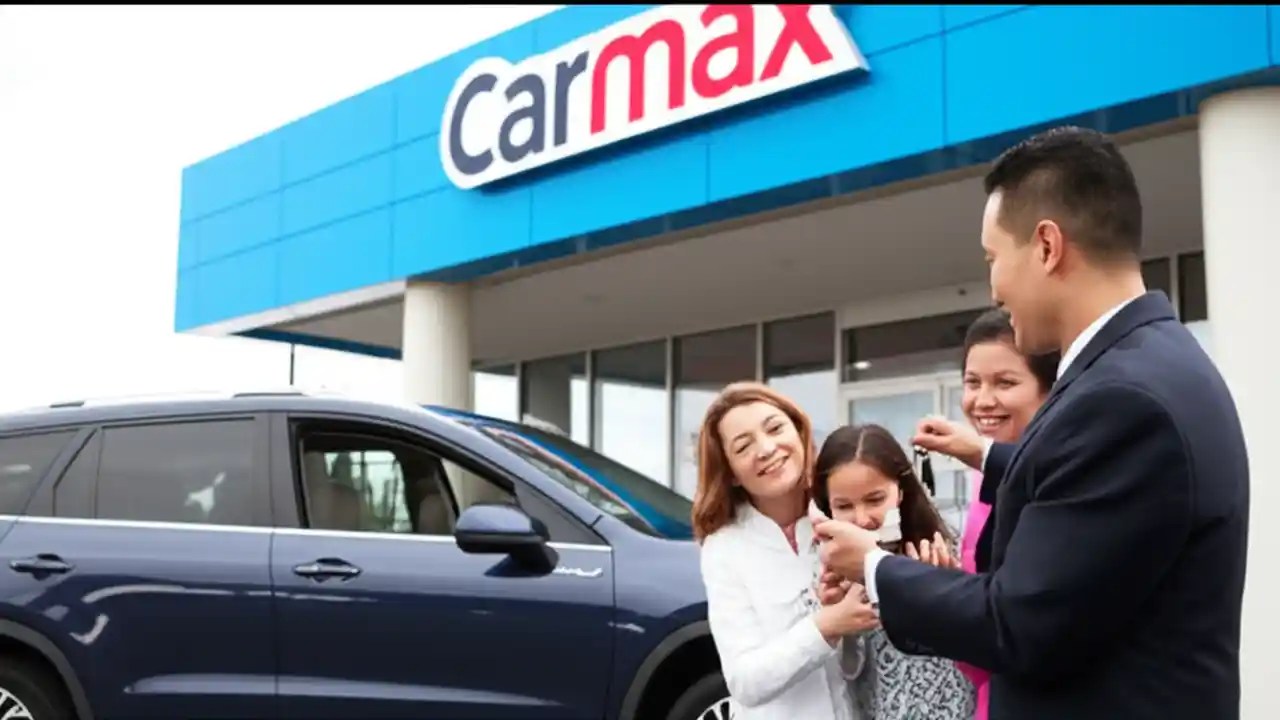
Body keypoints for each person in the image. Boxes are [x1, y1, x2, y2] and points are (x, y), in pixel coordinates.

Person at [813, 126, 1250, 719]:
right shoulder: (1152, 366)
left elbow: (1018, 623)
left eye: (994, 258)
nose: (993, 286)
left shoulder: (1123, 400)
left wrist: (871, 563)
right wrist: (984, 455)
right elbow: (1089, 502)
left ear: (1046, 246)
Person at [693, 381, 878, 720]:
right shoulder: (724, 548)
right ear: (731, 473)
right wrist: (826, 625)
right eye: (743, 446)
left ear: (799, 432)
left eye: (775, 428)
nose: (765, 449)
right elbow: (744, 681)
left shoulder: (842, 514)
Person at [810, 423, 976, 719]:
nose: (861, 519)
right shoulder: (827, 569)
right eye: (844, 505)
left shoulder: (943, 547)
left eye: (875, 500)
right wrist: (838, 620)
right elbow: (840, 673)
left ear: (899, 492)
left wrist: (945, 593)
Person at [953, 308, 1060, 720]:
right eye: (972, 382)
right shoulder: (984, 481)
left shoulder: (1058, 480)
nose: (983, 401)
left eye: (1005, 383)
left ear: (1048, 392)